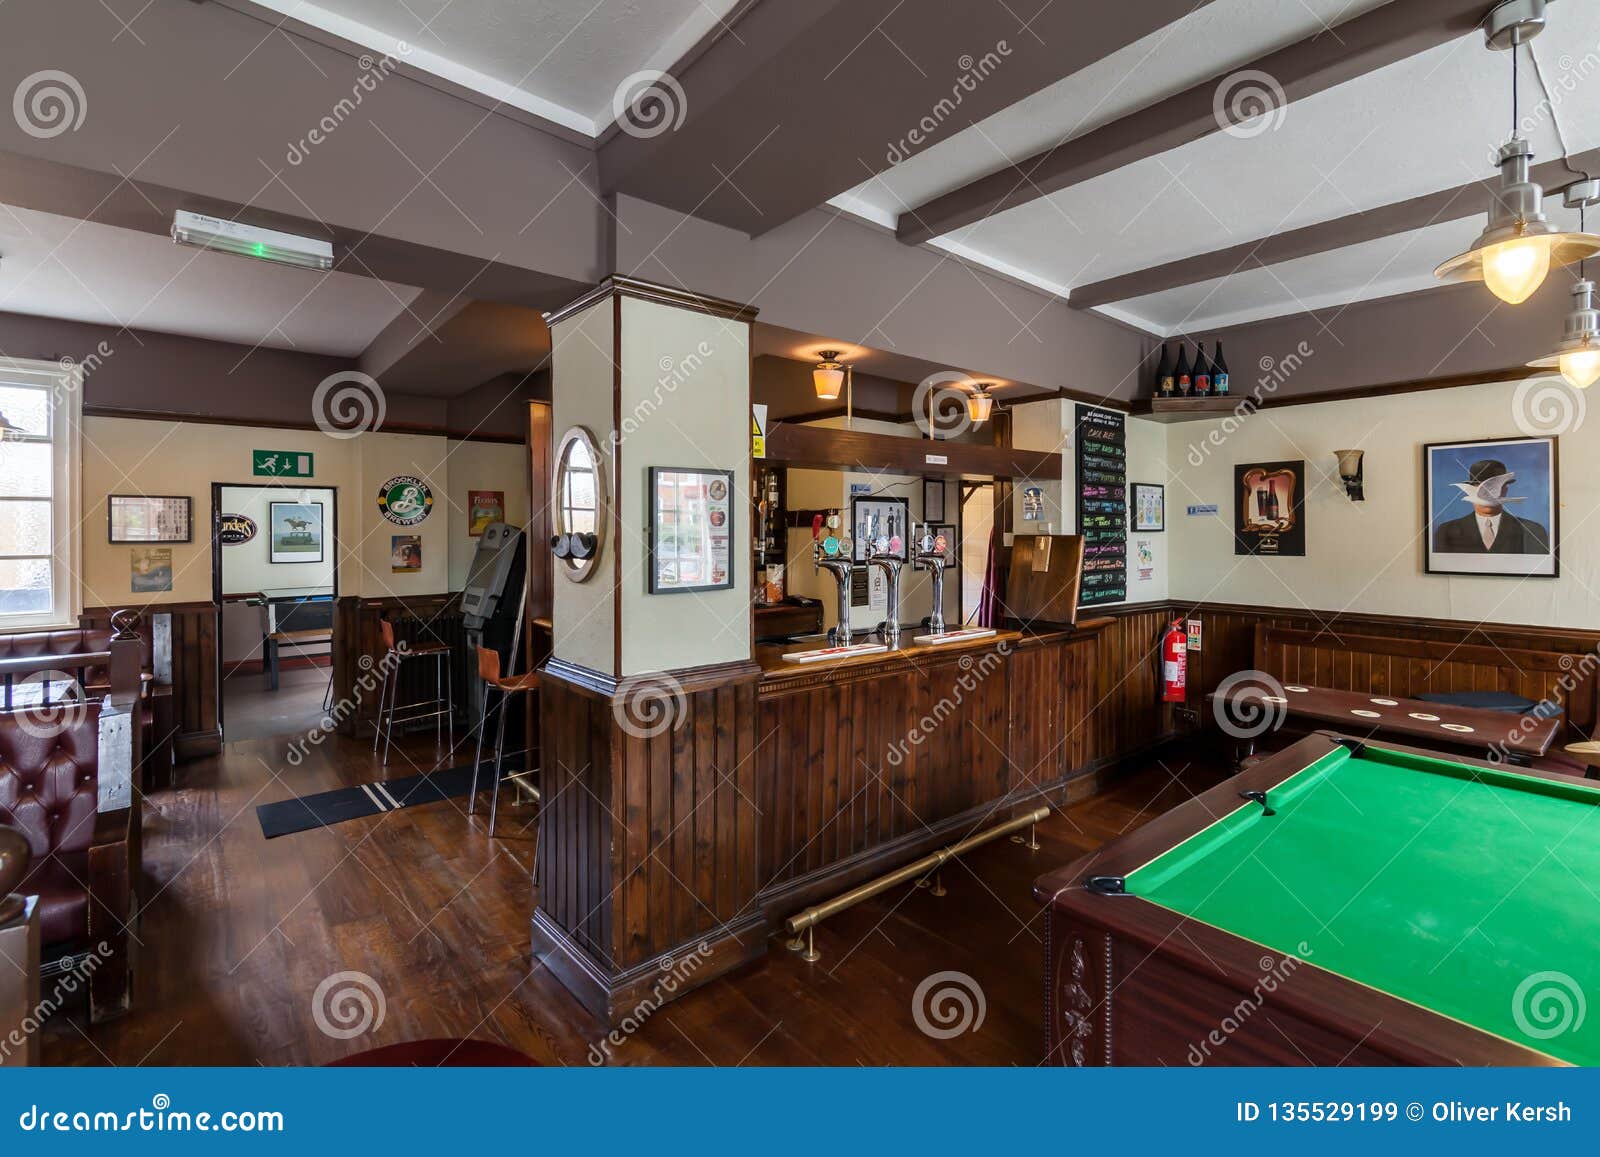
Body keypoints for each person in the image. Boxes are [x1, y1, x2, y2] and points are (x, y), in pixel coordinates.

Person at [1433, 458, 1549, 555]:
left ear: (1505, 490)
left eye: (1494, 487)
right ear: (1468, 491)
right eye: (1479, 486)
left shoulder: (1533, 530)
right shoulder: (1446, 530)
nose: (1487, 494)